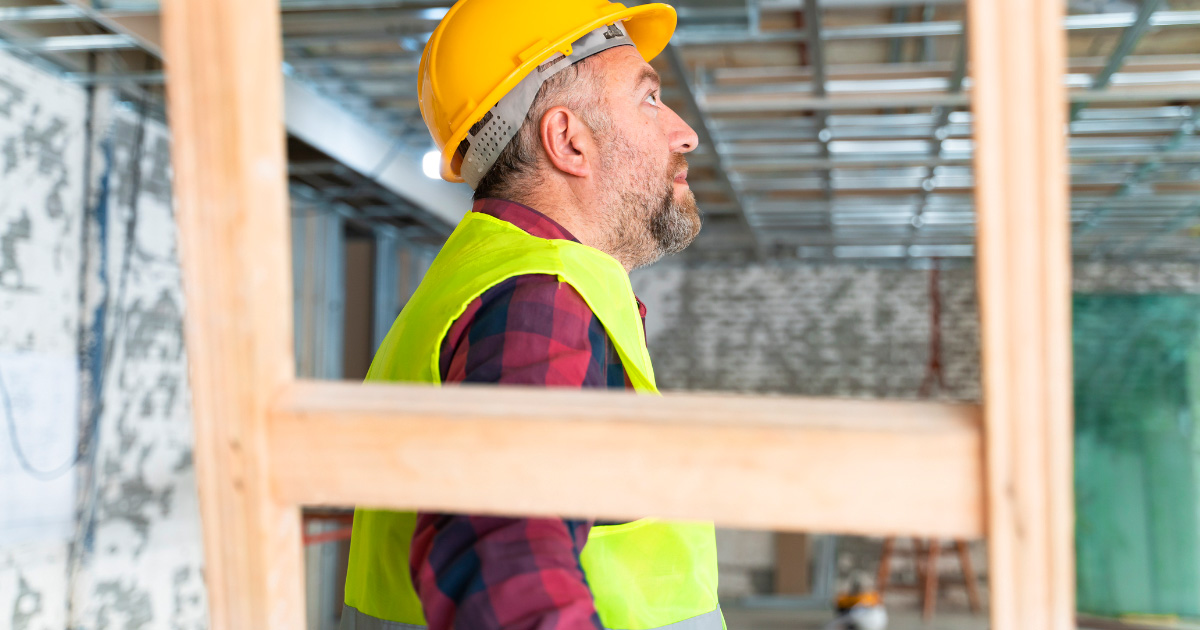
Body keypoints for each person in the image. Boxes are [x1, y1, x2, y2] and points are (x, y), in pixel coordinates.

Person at [341, 1, 721, 629]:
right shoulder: (540, 294)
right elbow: (504, 553)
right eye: (649, 100)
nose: (685, 132)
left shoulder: (477, 277)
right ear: (568, 140)